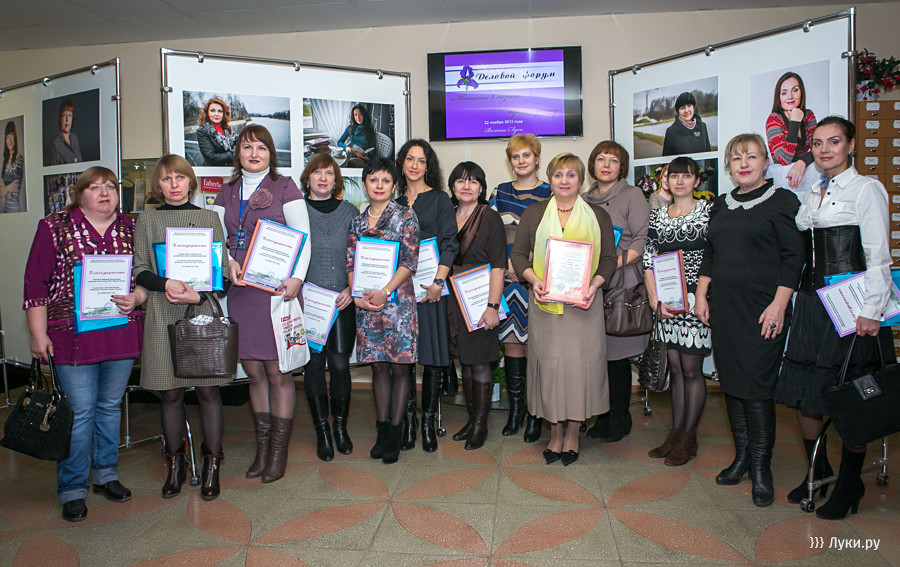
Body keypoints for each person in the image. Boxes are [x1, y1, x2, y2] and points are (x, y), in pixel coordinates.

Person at [775, 116, 895, 520]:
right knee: (806, 391)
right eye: (819, 143)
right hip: (812, 303)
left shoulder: (866, 190)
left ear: (851, 145)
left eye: (834, 141)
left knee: (851, 396)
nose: (825, 149)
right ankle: (818, 466)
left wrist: (871, 311)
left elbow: (879, 256)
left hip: (852, 305)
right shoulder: (812, 192)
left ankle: (849, 483)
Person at [24, 167, 144, 522]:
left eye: (111, 186)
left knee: (109, 407)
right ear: (80, 194)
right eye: (95, 187)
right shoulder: (54, 227)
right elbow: (35, 281)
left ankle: (106, 474)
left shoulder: (130, 227)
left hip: (121, 331)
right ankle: (73, 487)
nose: (105, 192)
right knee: (79, 413)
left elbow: (145, 274)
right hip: (70, 335)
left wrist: (138, 295)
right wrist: (37, 332)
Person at [694, 133, 804, 507]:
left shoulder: (783, 201)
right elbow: (711, 252)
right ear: (728, 165)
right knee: (733, 385)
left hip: (763, 310)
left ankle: (761, 467)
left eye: (751, 156)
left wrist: (778, 305)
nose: (743, 163)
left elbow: (794, 259)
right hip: (725, 307)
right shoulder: (721, 204)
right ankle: (741, 457)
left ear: (765, 162)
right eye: (736, 157)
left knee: (756, 388)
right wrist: (700, 293)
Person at [211, 124, 311, 483]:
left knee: (278, 372)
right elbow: (217, 240)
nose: (254, 153)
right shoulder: (225, 192)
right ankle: (263, 448)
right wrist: (227, 261)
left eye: (261, 148)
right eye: (247, 147)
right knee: (253, 372)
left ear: (271, 154)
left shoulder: (286, 187)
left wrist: (297, 279)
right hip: (241, 292)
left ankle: (278, 453)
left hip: (277, 293)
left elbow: (304, 238)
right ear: (237, 152)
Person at [133, 155, 231, 501]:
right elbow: (140, 270)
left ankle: (212, 463)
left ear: (191, 182)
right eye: (165, 179)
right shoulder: (146, 219)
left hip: (201, 312)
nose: (173, 185)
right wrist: (167, 283)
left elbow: (222, 279)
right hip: (162, 311)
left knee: (208, 391)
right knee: (170, 393)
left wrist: (199, 290)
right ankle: (174, 463)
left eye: (179, 178)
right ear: (157, 185)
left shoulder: (209, 218)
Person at [511, 153, 617, 466]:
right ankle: (554, 432)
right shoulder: (534, 213)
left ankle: (573, 432)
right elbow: (518, 256)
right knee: (550, 369)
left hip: (583, 307)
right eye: (558, 175)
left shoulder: (598, 215)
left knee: (578, 368)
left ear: (580, 179)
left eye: (571, 175)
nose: (565, 181)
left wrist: (594, 285)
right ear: (551, 179)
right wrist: (533, 280)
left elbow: (609, 260)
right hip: (545, 305)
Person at [347, 157, 419, 464]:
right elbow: (350, 263)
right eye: (373, 180)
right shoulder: (357, 222)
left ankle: (395, 431)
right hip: (367, 306)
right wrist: (356, 296)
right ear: (365, 184)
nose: (379, 186)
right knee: (377, 366)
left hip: (397, 304)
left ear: (393, 185)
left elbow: (409, 262)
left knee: (399, 367)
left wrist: (385, 290)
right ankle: (381, 429)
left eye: (385, 181)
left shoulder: (406, 217)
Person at [642, 157, 712, 466]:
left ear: (697, 180)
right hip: (667, 303)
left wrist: (703, 296)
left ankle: (689, 437)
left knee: (692, 370)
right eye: (674, 176)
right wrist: (655, 300)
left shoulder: (708, 212)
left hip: (698, 303)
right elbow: (648, 260)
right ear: (665, 181)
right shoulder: (657, 215)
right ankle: (676, 432)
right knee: (676, 370)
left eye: (687, 176)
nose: (680, 181)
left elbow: (714, 257)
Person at [582, 141, 651, 443]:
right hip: (586, 287)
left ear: (622, 166)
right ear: (592, 164)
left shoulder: (631, 195)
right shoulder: (582, 199)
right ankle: (602, 416)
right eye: (601, 159)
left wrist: (611, 266)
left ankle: (620, 418)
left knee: (616, 357)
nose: (606, 164)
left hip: (620, 284)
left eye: (613, 160)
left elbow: (641, 239)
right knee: (595, 355)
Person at [395, 139, 458, 453]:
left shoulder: (440, 200)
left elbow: (450, 244)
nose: (415, 165)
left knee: (432, 359)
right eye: (410, 159)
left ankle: (430, 423)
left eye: (421, 160)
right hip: (400, 294)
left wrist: (437, 282)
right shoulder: (393, 202)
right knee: (405, 360)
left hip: (431, 289)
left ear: (428, 166)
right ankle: (410, 421)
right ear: (402, 164)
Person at [489, 133, 552, 442]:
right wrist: (506, 265)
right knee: (513, 344)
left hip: (539, 281)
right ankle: (516, 412)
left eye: (527, 155)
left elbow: (557, 236)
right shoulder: (499, 192)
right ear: (510, 160)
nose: (521, 161)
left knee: (538, 348)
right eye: (516, 156)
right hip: (507, 279)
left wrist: (526, 266)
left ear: (537, 158)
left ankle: (535, 415)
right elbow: (488, 232)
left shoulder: (551, 192)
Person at [300, 153, 359, 461]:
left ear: (336, 181)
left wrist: (353, 287)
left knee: (338, 365)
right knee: (312, 365)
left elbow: (361, 254)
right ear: (307, 178)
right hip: (307, 301)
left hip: (341, 300)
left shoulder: (350, 211)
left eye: (329, 173)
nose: (322, 177)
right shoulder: (295, 211)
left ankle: (340, 427)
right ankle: (321, 429)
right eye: (316, 172)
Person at [447, 162, 506, 450]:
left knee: (480, 361)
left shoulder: (490, 217)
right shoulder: (449, 216)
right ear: (453, 186)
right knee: (466, 362)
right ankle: (472, 419)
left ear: (481, 187)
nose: (466, 186)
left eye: (472, 181)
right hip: (454, 297)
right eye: (460, 181)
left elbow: (499, 265)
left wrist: (492, 305)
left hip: (481, 298)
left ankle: (481, 426)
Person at [765, 72, 820, 194]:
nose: (790, 96)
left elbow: (818, 148)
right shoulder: (774, 119)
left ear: (802, 92)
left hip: (808, 177)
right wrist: (795, 122)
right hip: (785, 181)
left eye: (795, 90)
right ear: (778, 97)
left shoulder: (808, 115)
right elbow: (784, 159)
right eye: (784, 93)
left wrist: (802, 163)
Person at [661, 92, 711, 156]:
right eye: (682, 108)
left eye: (689, 106)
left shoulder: (703, 126)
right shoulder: (671, 132)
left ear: (693, 107)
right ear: (678, 111)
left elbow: (709, 154)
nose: (686, 110)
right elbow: (666, 160)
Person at [196, 97, 237, 167]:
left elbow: (240, 140)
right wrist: (235, 154)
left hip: (230, 170)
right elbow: (211, 157)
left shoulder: (227, 129)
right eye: (212, 110)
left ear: (223, 114)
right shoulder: (202, 131)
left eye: (220, 111)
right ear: (207, 113)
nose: (216, 114)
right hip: (213, 172)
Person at [50, 98, 82, 165]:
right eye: (64, 115)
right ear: (60, 118)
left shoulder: (74, 138)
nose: (67, 119)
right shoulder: (56, 143)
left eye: (70, 115)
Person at [1, 120, 24, 213]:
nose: (10, 140)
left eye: (12, 135)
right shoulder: (4, 162)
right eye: (7, 137)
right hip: (5, 209)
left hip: (15, 209)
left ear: (15, 137)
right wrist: (6, 189)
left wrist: (4, 189)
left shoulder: (19, 158)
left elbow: (15, 187)